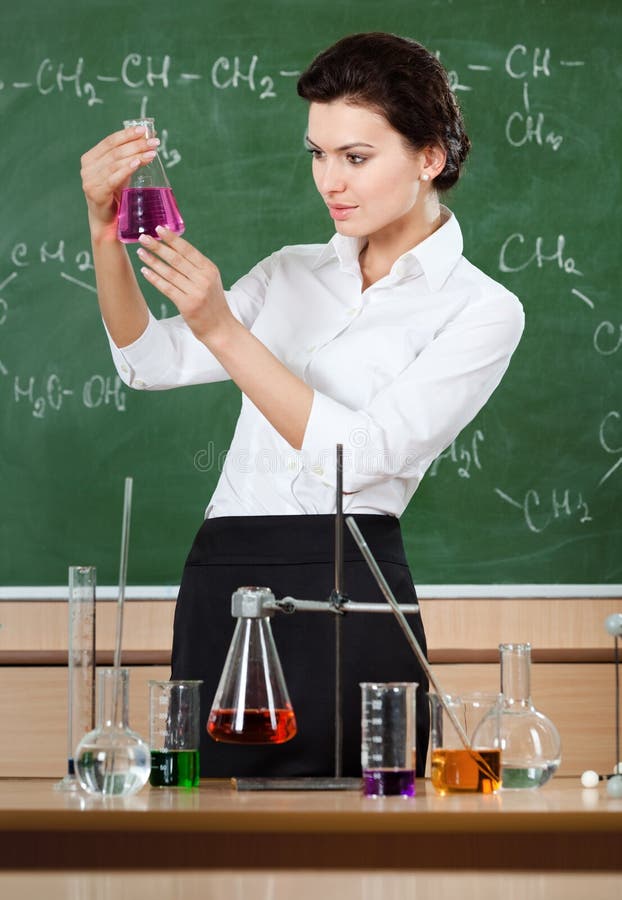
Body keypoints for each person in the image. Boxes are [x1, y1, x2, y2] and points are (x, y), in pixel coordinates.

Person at [80, 32, 524, 779]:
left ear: (429, 158)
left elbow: (365, 457)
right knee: (202, 828)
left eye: (355, 157)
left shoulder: (483, 309)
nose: (331, 180)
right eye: (317, 155)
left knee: (364, 823)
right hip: (225, 569)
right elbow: (147, 363)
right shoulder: (290, 272)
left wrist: (221, 327)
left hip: (352, 574)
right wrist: (104, 231)